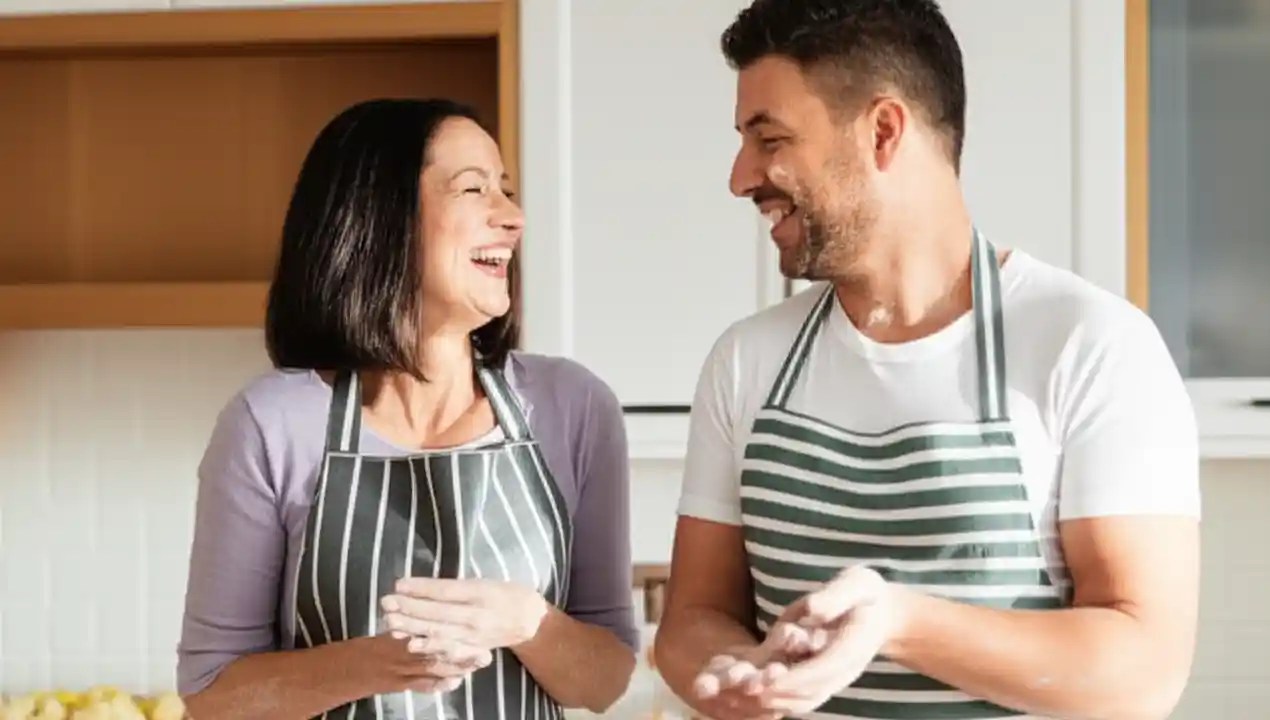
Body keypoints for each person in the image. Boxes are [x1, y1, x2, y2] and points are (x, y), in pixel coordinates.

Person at [654, 2, 1201, 719]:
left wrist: (897, 623)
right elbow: (690, 622)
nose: (740, 176)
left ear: (883, 131)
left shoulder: (1089, 344)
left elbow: (1143, 672)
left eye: (771, 138)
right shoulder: (748, 361)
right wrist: (744, 675)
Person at [176, 98, 638, 719]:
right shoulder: (272, 425)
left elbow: (605, 680)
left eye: (505, 190)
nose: (513, 217)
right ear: (382, 217)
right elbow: (213, 697)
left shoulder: (572, 407)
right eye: (475, 190)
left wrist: (526, 621)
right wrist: (382, 663)